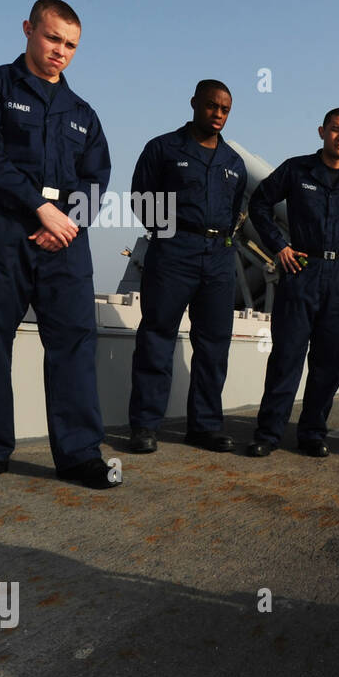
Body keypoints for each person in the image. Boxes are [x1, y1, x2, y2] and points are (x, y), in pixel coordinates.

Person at [0, 0, 117, 489]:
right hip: (2, 232)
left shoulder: (83, 114)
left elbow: (97, 178)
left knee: (72, 344)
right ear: (28, 28)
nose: (60, 52)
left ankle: (78, 454)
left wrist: (66, 223)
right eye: (52, 38)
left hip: (64, 241)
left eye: (70, 45)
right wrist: (39, 207)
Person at [244, 109, 339, 457]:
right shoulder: (296, 169)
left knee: (329, 362)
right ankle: (268, 434)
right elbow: (259, 203)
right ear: (322, 132)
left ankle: (313, 434)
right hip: (301, 272)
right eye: (336, 130)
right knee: (286, 357)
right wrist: (279, 246)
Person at [127, 81, 247, 454]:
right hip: (173, 252)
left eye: (225, 109)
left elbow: (236, 209)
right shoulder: (162, 149)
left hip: (219, 256)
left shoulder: (233, 163)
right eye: (211, 106)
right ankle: (146, 426)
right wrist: (169, 235)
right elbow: (141, 197)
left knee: (213, 345)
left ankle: (205, 426)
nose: (218, 114)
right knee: (157, 338)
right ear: (194, 103)